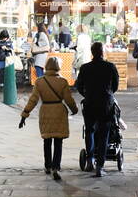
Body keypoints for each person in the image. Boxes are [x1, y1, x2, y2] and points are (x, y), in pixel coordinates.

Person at [19, 56, 78, 180]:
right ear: (58, 67)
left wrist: (25, 114)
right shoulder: (62, 81)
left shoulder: (40, 82)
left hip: (45, 110)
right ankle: (56, 167)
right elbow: (69, 99)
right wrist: (74, 110)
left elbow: (33, 100)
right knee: (58, 141)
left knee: (47, 140)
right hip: (59, 111)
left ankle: (47, 166)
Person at [75, 41, 120, 176]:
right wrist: (108, 94)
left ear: (92, 53)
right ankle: (100, 165)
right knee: (104, 133)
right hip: (106, 104)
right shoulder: (110, 66)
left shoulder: (85, 68)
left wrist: (87, 95)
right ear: (102, 52)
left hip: (90, 103)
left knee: (89, 131)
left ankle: (90, 160)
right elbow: (115, 86)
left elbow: (79, 86)